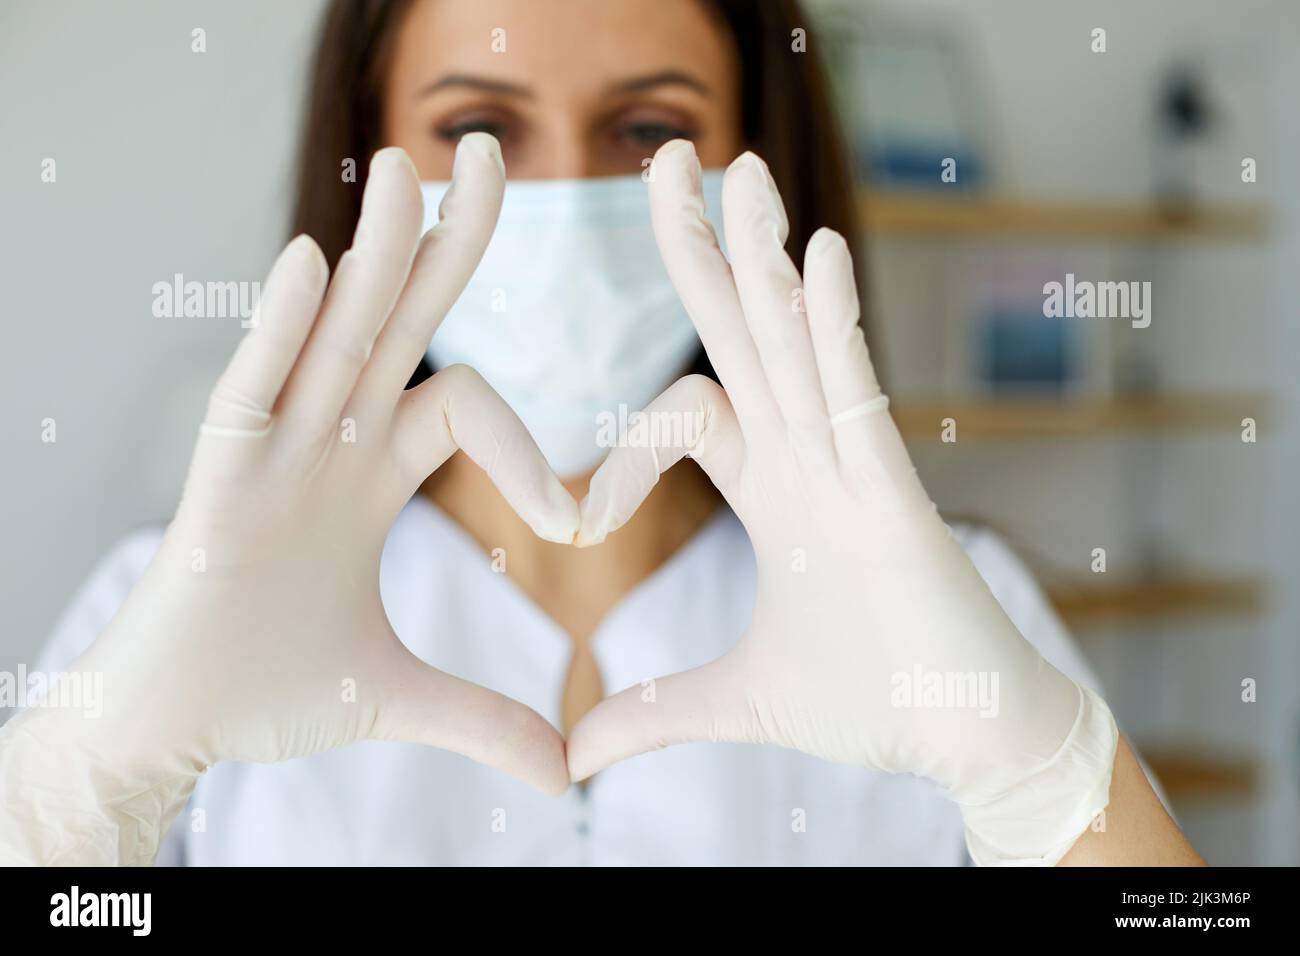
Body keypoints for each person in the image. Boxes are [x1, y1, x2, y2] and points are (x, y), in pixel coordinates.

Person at [0, 0, 1201, 866]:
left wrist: (1048, 794)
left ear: (754, 167)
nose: (561, 202)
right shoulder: (168, 603)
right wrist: (68, 811)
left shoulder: (951, 607)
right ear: (367, 167)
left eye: (645, 132)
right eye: (479, 132)